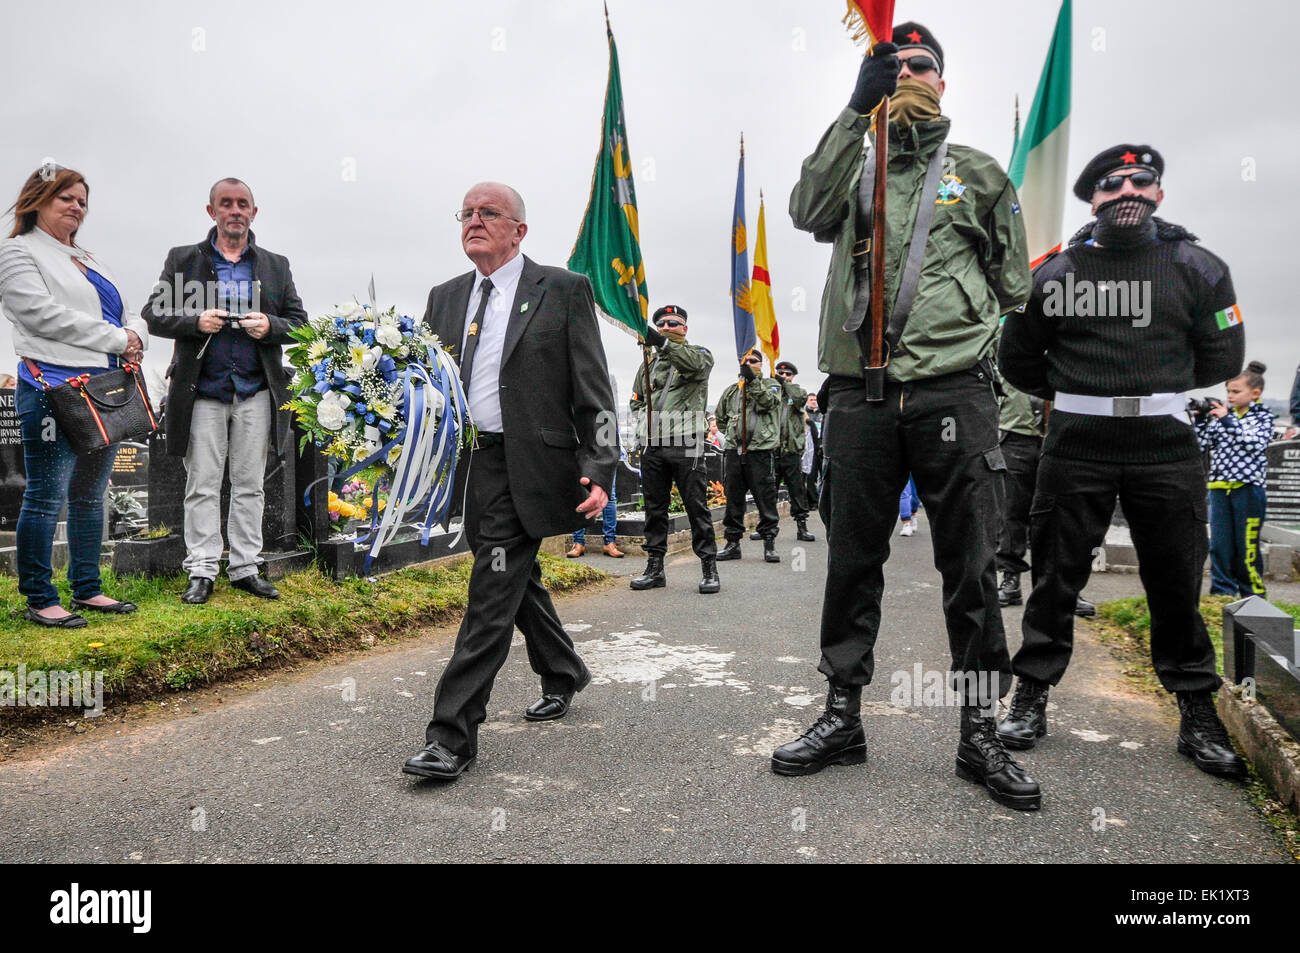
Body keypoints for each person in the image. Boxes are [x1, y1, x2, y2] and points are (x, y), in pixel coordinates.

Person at [776, 24, 1041, 811]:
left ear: (943, 81)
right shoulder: (854, 169)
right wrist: (854, 113)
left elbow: (1015, 284)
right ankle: (842, 715)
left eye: (920, 65)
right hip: (859, 394)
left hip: (954, 394)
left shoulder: (979, 172)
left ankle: (980, 729)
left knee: (971, 567)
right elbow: (802, 208)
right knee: (852, 560)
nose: (908, 76)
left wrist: (963, 336)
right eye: (893, 69)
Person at [998, 144, 1248, 780]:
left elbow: (1222, 355)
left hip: (1165, 443)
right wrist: (1084, 390)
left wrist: (1152, 382)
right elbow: (1017, 358)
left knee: (1175, 580)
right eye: (1112, 183)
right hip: (1077, 440)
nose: (1128, 189)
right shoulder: (1055, 275)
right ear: (1093, 198)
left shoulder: (1199, 266)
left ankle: (1196, 709)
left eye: (1142, 179)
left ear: (1159, 192)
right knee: (1055, 577)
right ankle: (1031, 695)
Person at [403, 182, 617, 781]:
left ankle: (451, 737)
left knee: (489, 596)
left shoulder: (563, 289)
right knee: (512, 577)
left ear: (519, 230)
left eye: (488, 213)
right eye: (466, 213)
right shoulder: (443, 298)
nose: (474, 221)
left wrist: (598, 467)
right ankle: (564, 669)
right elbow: (427, 384)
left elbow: (594, 390)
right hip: (470, 465)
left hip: (530, 465)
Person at [143, 178, 307, 605]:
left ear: (254, 212)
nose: (235, 211)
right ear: (211, 211)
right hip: (202, 391)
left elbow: (300, 323)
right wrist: (195, 321)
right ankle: (202, 569)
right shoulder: (184, 259)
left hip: (255, 390)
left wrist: (271, 326)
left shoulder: (275, 264)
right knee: (202, 482)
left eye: (243, 204)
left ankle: (246, 568)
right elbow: (153, 314)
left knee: (250, 483)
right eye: (226, 204)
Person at [0, 165, 146, 627]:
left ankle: (88, 588)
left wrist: (135, 334)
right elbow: (42, 316)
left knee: (90, 493)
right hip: (52, 386)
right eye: (65, 197)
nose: (77, 206)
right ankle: (40, 596)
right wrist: (119, 339)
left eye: (82, 199)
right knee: (46, 495)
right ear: (37, 200)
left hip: (102, 388)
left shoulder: (89, 257)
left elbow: (131, 310)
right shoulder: (16, 252)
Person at [627, 304, 718, 594]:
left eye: (673, 323)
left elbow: (693, 367)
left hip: (686, 441)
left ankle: (709, 567)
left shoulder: (699, 354)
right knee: (655, 509)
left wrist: (663, 344)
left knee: (695, 506)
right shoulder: (648, 364)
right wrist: (645, 423)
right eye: (661, 324)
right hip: (653, 444)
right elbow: (637, 400)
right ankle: (655, 569)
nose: (666, 327)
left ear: (684, 329)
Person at [994, 373, 1098, 618]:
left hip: (1062, 432)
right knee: (1012, 513)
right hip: (1015, 433)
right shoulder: (1008, 334)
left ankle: (1065, 588)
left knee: (1063, 514)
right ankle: (1010, 579)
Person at [1195, 361, 1274, 598]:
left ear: (1255, 393)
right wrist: (1200, 421)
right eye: (1228, 391)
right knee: (1219, 547)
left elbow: (1253, 442)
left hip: (1248, 490)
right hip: (1218, 489)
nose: (1230, 396)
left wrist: (1228, 419)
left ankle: (1253, 596)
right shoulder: (1221, 417)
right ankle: (1222, 593)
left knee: (1246, 547)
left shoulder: (1264, 417)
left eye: (1236, 392)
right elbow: (1200, 446)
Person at [715, 348, 782, 563]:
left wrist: (752, 380)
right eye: (746, 361)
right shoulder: (732, 391)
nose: (749, 363)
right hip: (735, 452)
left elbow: (768, 402)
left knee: (765, 499)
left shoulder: (771, 385)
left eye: (753, 361)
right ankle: (732, 543)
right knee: (734, 500)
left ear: (760, 364)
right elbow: (721, 418)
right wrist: (734, 435)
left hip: (760, 452)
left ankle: (769, 543)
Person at [773, 361, 816, 542]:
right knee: (768, 492)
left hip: (791, 450)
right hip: (772, 449)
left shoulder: (797, 392)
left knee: (797, 491)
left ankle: (802, 527)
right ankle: (766, 527)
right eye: (781, 374)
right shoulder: (771, 392)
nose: (784, 377)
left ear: (793, 376)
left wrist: (786, 385)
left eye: (788, 374)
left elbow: (800, 397)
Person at [567, 472, 623, 558]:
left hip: (606, 460)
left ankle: (610, 542)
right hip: (581, 459)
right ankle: (578, 542)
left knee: (609, 495)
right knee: (579, 493)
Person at [803, 393, 823, 506]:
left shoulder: (822, 413)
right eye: (811, 400)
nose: (813, 402)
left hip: (822, 445)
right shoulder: (804, 414)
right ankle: (813, 501)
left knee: (824, 475)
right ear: (807, 401)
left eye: (815, 400)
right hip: (810, 448)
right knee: (811, 476)